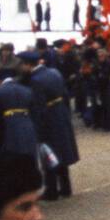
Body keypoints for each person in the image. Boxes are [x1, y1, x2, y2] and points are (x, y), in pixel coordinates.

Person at [18, 51, 79, 200]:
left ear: (27, 64)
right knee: (62, 151)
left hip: (49, 118)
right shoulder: (53, 72)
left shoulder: (35, 80)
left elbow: (39, 107)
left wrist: (37, 128)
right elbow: (65, 94)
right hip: (60, 113)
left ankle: (51, 190)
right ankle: (66, 187)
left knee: (47, 152)